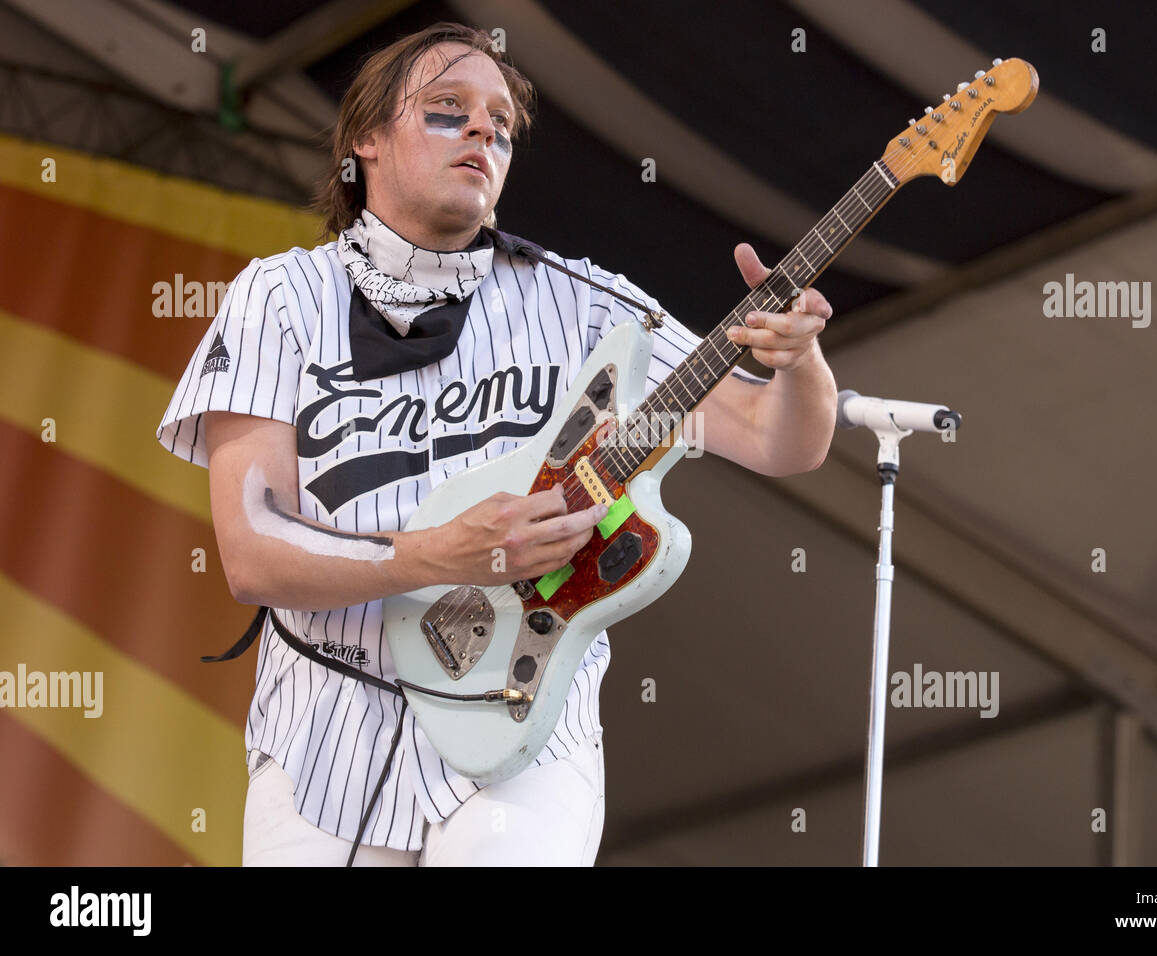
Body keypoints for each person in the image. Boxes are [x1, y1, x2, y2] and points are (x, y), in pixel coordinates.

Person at [156, 21, 838, 866]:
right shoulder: (280, 296)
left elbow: (779, 440)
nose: (484, 130)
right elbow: (251, 552)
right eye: (448, 110)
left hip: (523, 722)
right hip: (322, 737)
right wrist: (439, 554)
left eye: (502, 125)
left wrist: (802, 359)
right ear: (365, 138)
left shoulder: (587, 304)